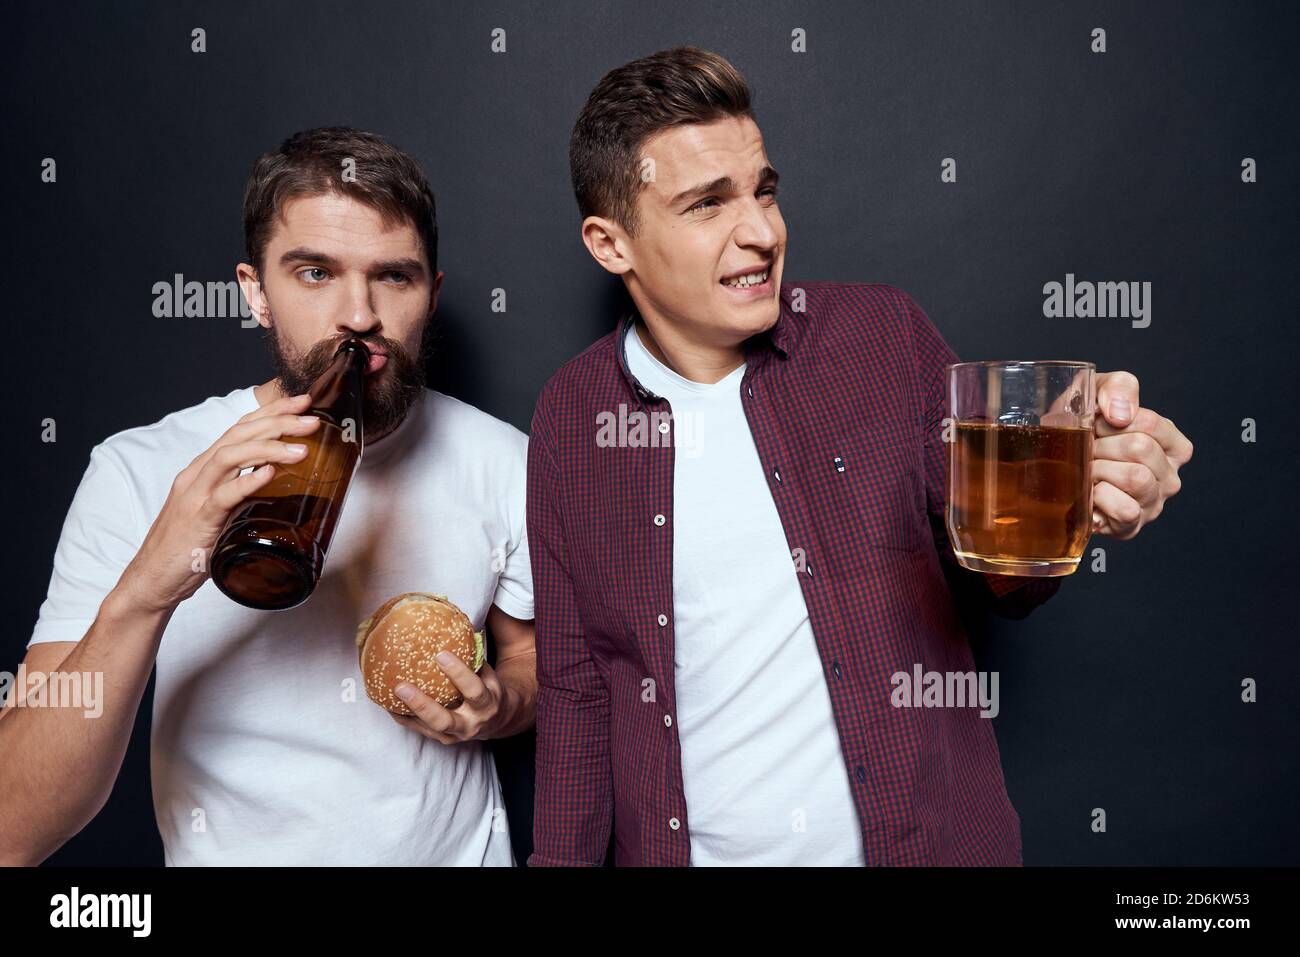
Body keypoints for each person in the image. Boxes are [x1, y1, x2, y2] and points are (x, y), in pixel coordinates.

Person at [527, 48, 1193, 866]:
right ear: (611, 244)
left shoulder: (883, 338)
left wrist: (1077, 488)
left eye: (763, 190)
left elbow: (1001, 576)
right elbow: (576, 688)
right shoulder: (571, 416)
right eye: (708, 204)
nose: (762, 232)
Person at [1, 128, 537, 866]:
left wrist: (497, 705)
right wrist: (149, 585)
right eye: (315, 273)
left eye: (394, 276)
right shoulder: (140, 469)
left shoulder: (507, 461)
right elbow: (14, 827)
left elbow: (533, 659)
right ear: (255, 292)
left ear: (431, 294)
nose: (358, 314)